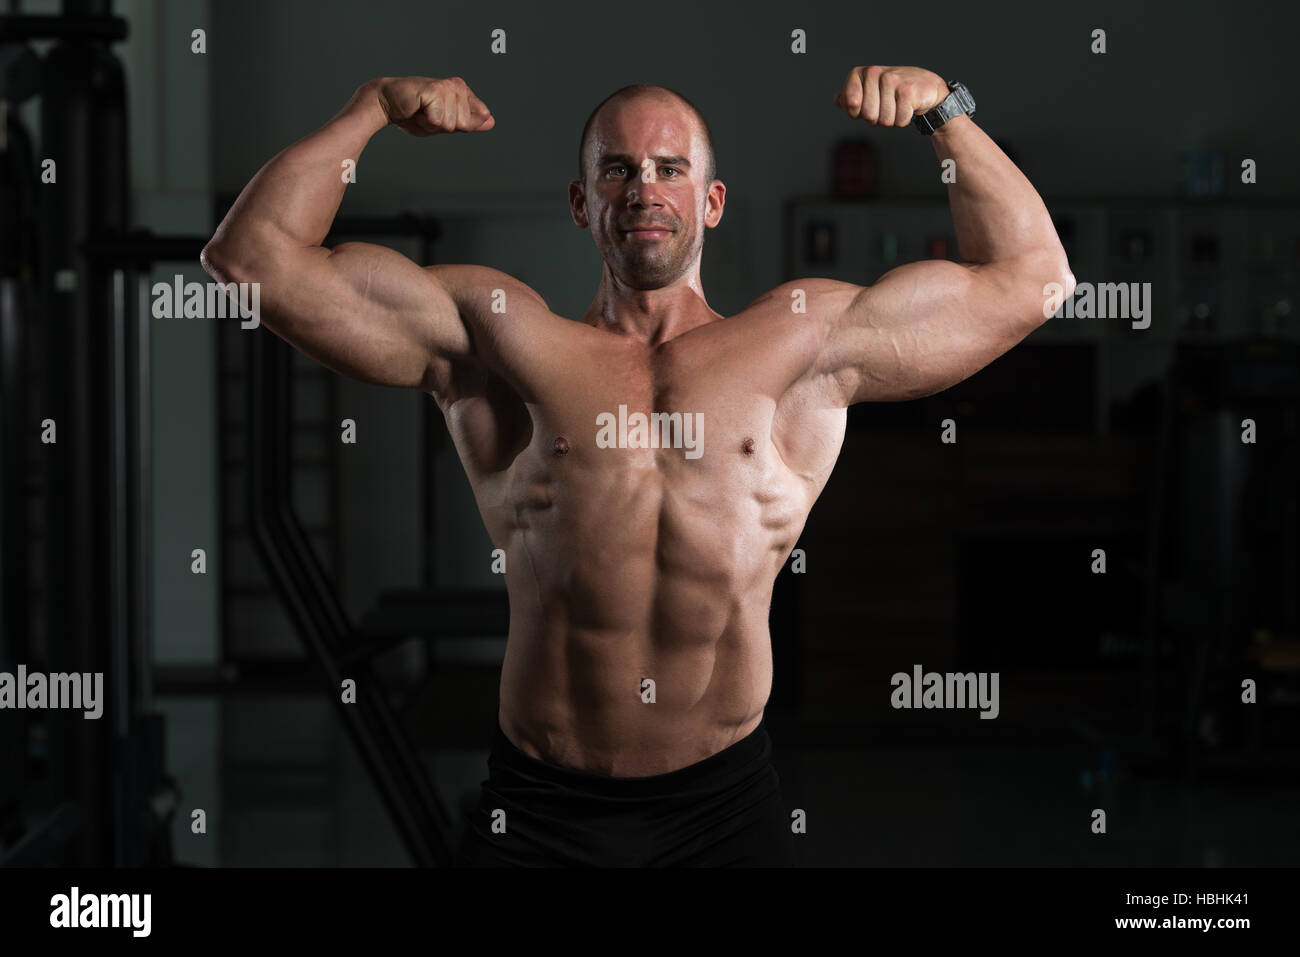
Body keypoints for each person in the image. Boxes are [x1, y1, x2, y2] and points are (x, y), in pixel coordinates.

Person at [201, 66, 1074, 866]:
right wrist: (371, 111)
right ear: (582, 202)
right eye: (617, 170)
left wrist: (944, 113)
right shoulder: (501, 337)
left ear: (714, 199)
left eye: (669, 167)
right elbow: (251, 262)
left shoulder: (805, 341)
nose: (644, 188)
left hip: (722, 808)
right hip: (539, 810)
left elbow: (1034, 277)